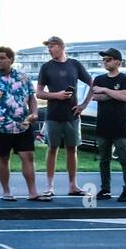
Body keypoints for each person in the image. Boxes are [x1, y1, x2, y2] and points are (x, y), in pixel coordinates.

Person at [0, 46, 42, 201]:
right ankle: (6, 192)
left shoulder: (23, 77)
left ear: (11, 60)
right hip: (0, 127)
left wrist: (34, 113)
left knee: (28, 157)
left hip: (23, 125)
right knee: (3, 158)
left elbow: (32, 97)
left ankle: (32, 192)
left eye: (2, 58)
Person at [35, 36, 93, 198]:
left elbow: (92, 84)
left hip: (72, 115)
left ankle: (73, 186)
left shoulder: (74, 64)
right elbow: (39, 93)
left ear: (61, 46)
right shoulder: (46, 67)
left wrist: (84, 105)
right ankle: (50, 186)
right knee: (52, 149)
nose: (49, 49)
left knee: (72, 149)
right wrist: (57, 95)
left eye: (52, 46)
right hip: (53, 115)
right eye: (48, 47)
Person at [90, 48, 126, 202]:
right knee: (104, 160)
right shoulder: (99, 79)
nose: (105, 62)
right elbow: (96, 97)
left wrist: (106, 91)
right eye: (104, 60)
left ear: (118, 62)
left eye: (108, 59)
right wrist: (115, 93)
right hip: (103, 126)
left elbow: (125, 96)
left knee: (125, 159)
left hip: (120, 126)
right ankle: (105, 190)